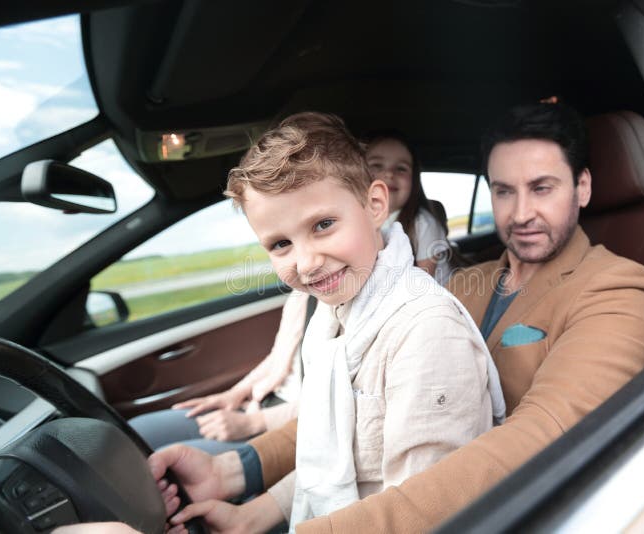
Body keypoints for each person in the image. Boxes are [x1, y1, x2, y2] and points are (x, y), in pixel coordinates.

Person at [140, 101, 644, 534]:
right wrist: (238, 473)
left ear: (583, 187)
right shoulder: (463, 282)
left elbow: (544, 436)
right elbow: (357, 413)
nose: (520, 212)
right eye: (503, 190)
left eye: (542, 187)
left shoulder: (617, 288)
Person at [153, 111, 504, 532]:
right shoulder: (332, 317)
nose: (306, 263)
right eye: (280, 244)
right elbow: (339, 457)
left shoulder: (427, 333)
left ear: (375, 205)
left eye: (323, 225)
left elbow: (421, 513)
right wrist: (250, 517)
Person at [128, 290, 310, 454]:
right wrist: (234, 393)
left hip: (295, 427)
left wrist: (255, 422)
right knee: (137, 431)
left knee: (167, 460)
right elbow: (278, 356)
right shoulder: (300, 295)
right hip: (260, 403)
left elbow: (324, 405)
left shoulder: (326, 305)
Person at [364, 130, 454, 283]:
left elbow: (421, 284)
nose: (389, 174)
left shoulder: (423, 223)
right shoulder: (359, 222)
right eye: (377, 165)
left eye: (401, 168)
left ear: (414, 181)